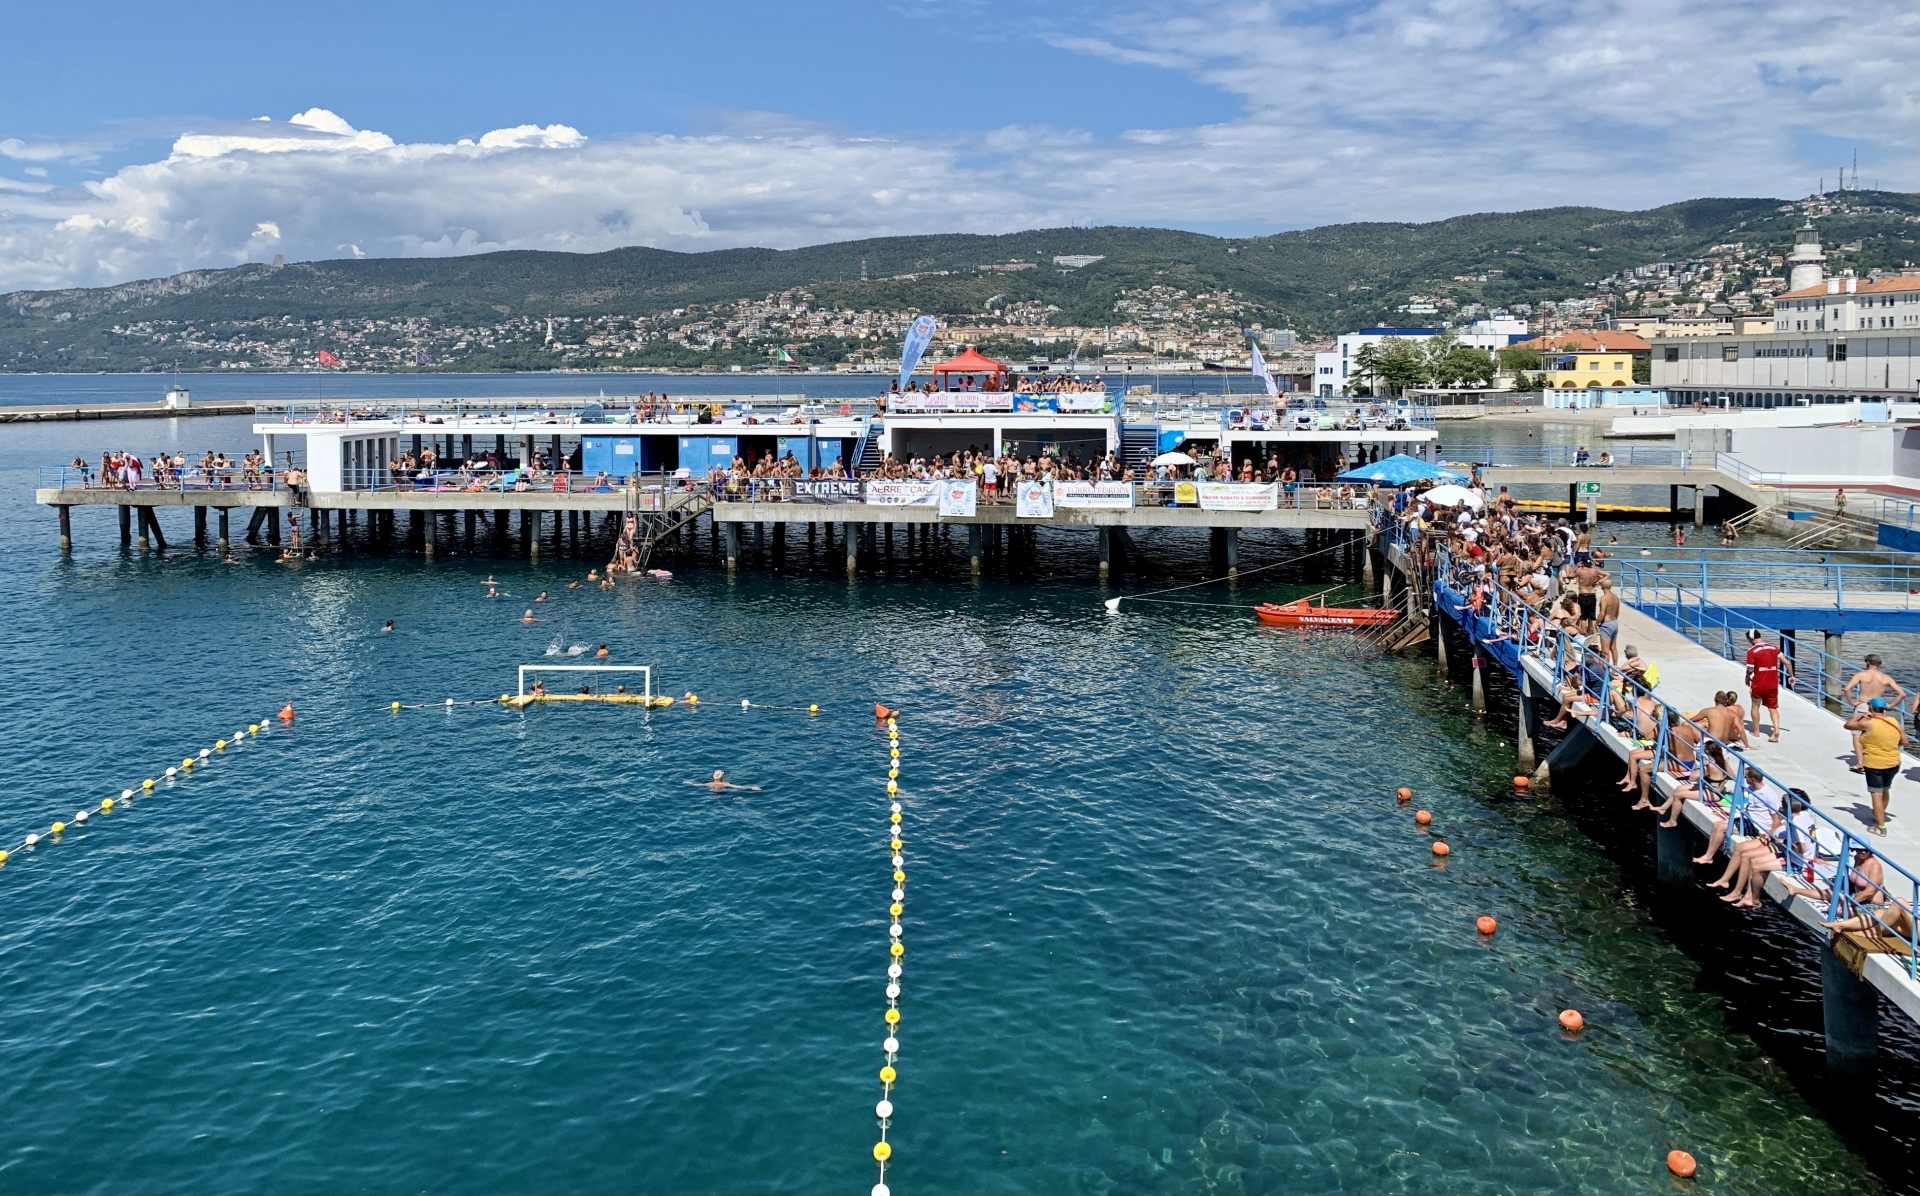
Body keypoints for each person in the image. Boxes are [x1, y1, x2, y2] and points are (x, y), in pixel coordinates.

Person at [1845, 698, 1910, 835]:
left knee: (1876, 794)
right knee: (1885, 790)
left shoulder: (1868, 723)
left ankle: (1880, 827)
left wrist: (1860, 716)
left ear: (1871, 708)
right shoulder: (1893, 721)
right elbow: (1905, 741)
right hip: (1893, 763)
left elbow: (1848, 725)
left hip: (1874, 764)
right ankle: (1879, 814)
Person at [1845, 655, 1908, 772]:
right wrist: (1889, 706)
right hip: (1879, 707)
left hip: (1863, 705)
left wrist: (1852, 702)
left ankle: (1860, 764)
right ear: (1879, 664)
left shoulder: (1861, 675)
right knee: (1875, 732)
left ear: (1868, 663)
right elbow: (1902, 694)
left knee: (1857, 734)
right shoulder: (1886, 678)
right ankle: (1871, 761)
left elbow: (1847, 688)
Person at [1744, 629, 1789, 742]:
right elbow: (1787, 663)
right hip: (1773, 682)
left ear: (1751, 639)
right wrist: (1792, 676)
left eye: (1749, 640)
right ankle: (1776, 730)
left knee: (1755, 706)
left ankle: (1756, 731)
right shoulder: (1774, 648)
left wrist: (1747, 678)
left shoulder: (1752, 651)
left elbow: (1750, 669)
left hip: (1759, 683)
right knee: (1773, 708)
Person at [689, 768, 761, 793]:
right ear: (722, 776)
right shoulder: (725, 784)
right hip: (723, 793)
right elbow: (739, 787)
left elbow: (697, 785)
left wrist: (689, 783)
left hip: (712, 792)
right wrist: (751, 787)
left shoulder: (709, 784)